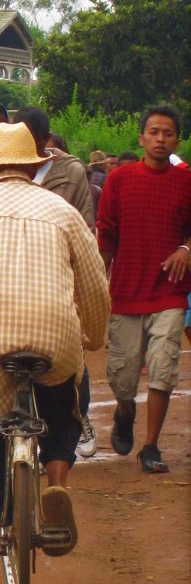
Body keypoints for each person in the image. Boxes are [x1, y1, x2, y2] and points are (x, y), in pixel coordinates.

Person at [0, 123, 109, 562]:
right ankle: (56, 484)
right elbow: (93, 285)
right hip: (55, 332)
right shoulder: (61, 210)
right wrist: (92, 336)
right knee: (64, 408)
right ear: (35, 166)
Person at [96, 105, 191, 474]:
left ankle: (150, 446)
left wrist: (186, 249)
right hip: (126, 292)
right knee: (123, 377)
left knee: (163, 369)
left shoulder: (186, 181)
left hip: (169, 291)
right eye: (153, 132)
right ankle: (124, 411)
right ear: (141, 138)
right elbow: (106, 232)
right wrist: (99, 280)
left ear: (176, 140)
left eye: (168, 133)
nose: (160, 139)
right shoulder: (119, 180)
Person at [8, 108, 97, 454]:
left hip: (58, 274)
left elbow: (84, 229)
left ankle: (80, 414)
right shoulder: (0, 166)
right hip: (10, 274)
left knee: (69, 354)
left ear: (45, 141)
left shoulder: (71, 172)